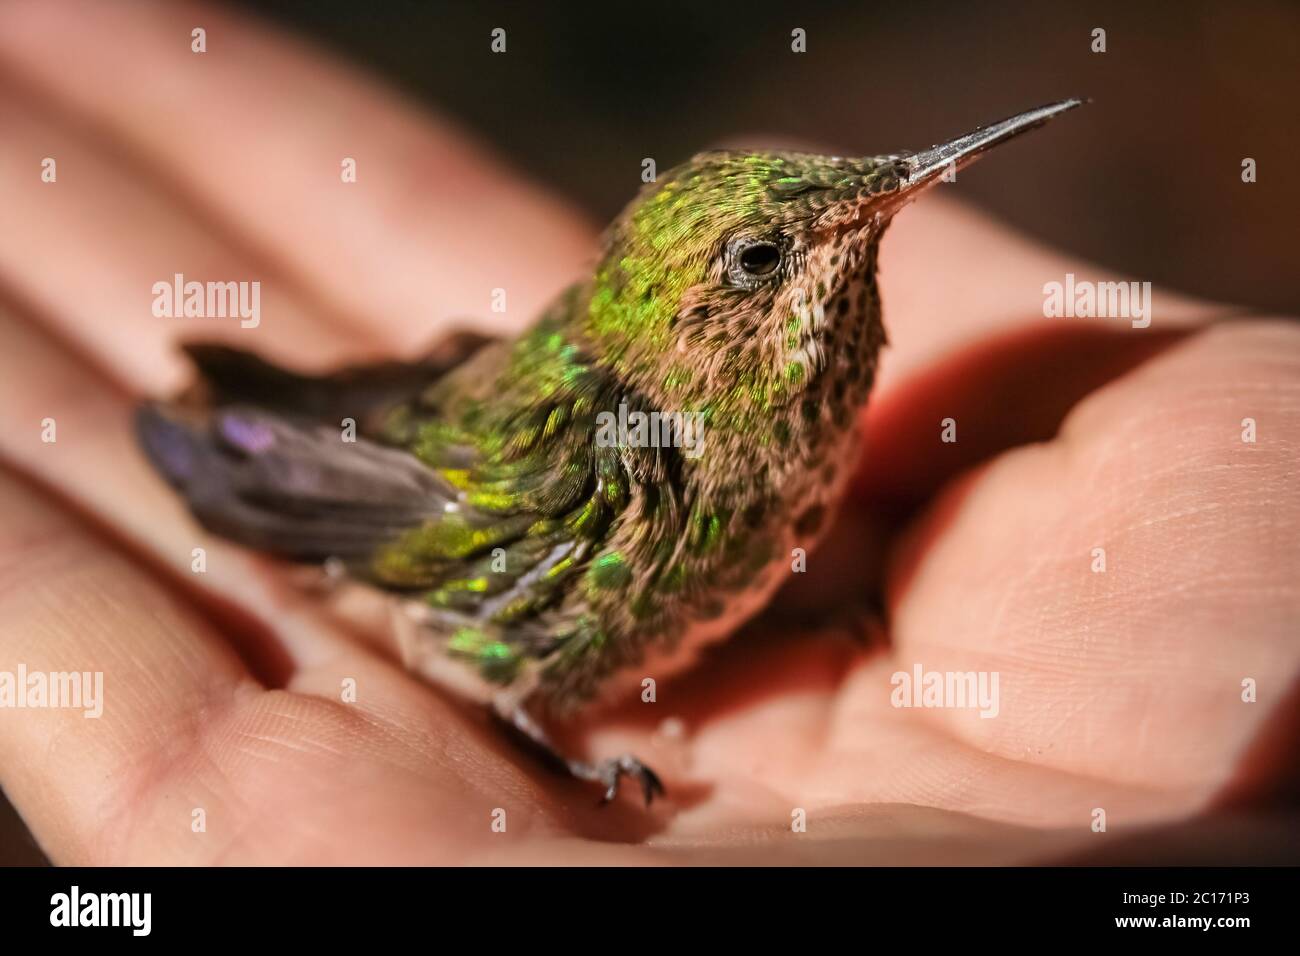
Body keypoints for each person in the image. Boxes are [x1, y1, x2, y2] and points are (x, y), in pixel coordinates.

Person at [0, 0, 1295, 864]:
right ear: (697, 315)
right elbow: (425, 510)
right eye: (760, 258)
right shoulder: (615, 450)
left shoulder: (788, 397)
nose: (874, 217)